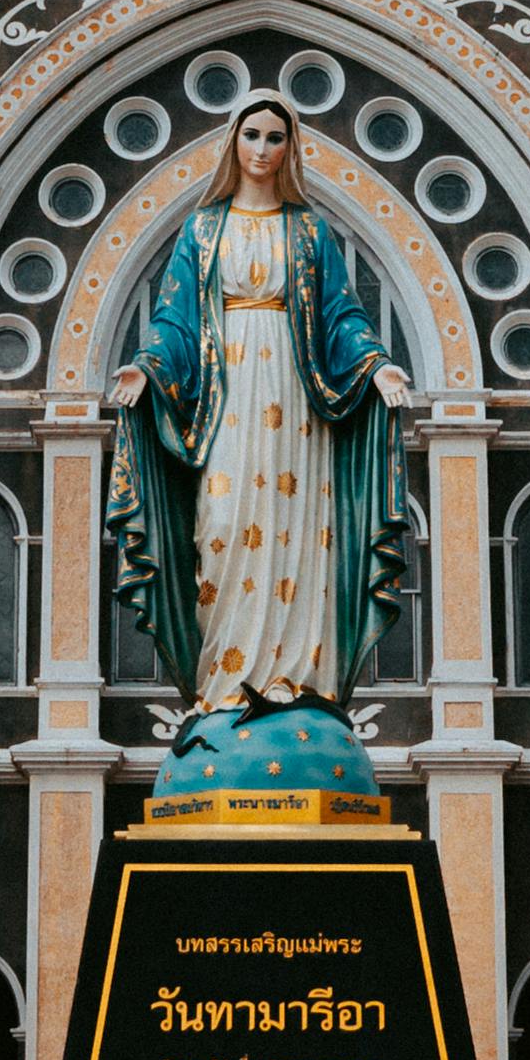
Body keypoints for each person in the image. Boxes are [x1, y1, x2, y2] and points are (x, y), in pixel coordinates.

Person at [105, 97, 411, 726]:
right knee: (221, 525)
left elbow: (340, 317)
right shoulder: (202, 230)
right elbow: (175, 321)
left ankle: (297, 680)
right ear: (233, 143)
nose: (263, 149)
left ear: (289, 147)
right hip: (230, 398)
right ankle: (222, 685)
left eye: (276, 137)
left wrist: (376, 363)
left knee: (298, 529)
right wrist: (148, 366)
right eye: (252, 135)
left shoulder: (309, 231)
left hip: (297, 402)